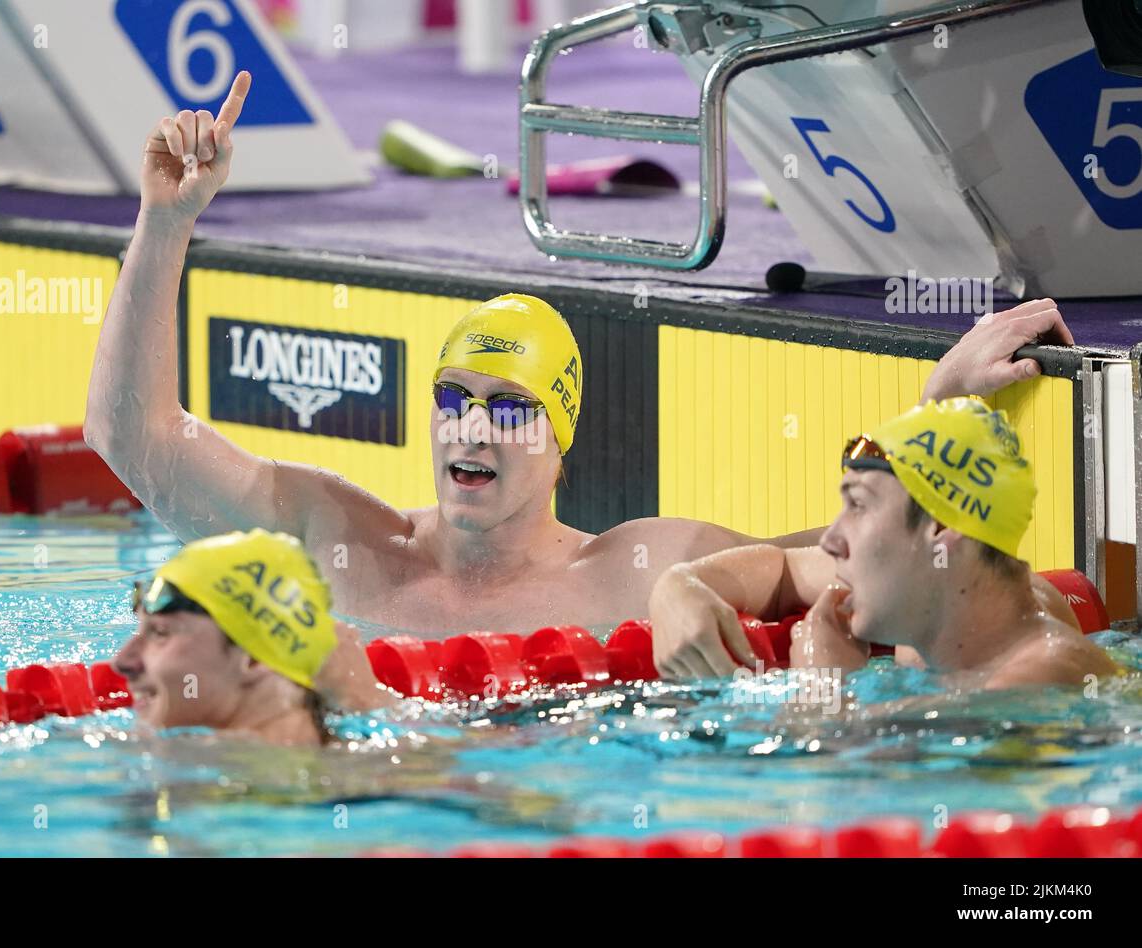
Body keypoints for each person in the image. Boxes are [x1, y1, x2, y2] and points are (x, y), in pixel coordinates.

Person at [84, 70, 1078, 636]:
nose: (472, 426)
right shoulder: (341, 539)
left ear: (560, 444)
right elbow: (136, 441)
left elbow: (852, 572)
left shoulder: (641, 568)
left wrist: (946, 409)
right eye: (453, 396)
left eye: (510, 407)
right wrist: (165, 228)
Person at [649, 397, 1118, 689]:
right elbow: (783, 567)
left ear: (939, 528)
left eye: (859, 506)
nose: (831, 540)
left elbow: (853, 822)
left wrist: (823, 691)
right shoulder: (947, 594)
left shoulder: (1042, 681)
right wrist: (677, 585)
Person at [0, 530, 390, 742]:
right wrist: (365, 702)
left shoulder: (213, 767)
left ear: (253, 659)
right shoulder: (355, 755)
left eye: (160, 634)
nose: (122, 661)